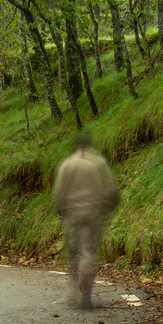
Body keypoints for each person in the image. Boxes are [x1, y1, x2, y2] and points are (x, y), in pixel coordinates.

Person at [53, 132, 120, 309]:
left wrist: (60, 209)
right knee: (87, 252)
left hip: (73, 213)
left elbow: (59, 192)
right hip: (92, 212)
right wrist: (108, 205)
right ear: (90, 145)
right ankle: (86, 295)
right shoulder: (98, 162)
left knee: (73, 252)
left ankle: (73, 291)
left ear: (75, 146)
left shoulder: (67, 164)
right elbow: (110, 188)